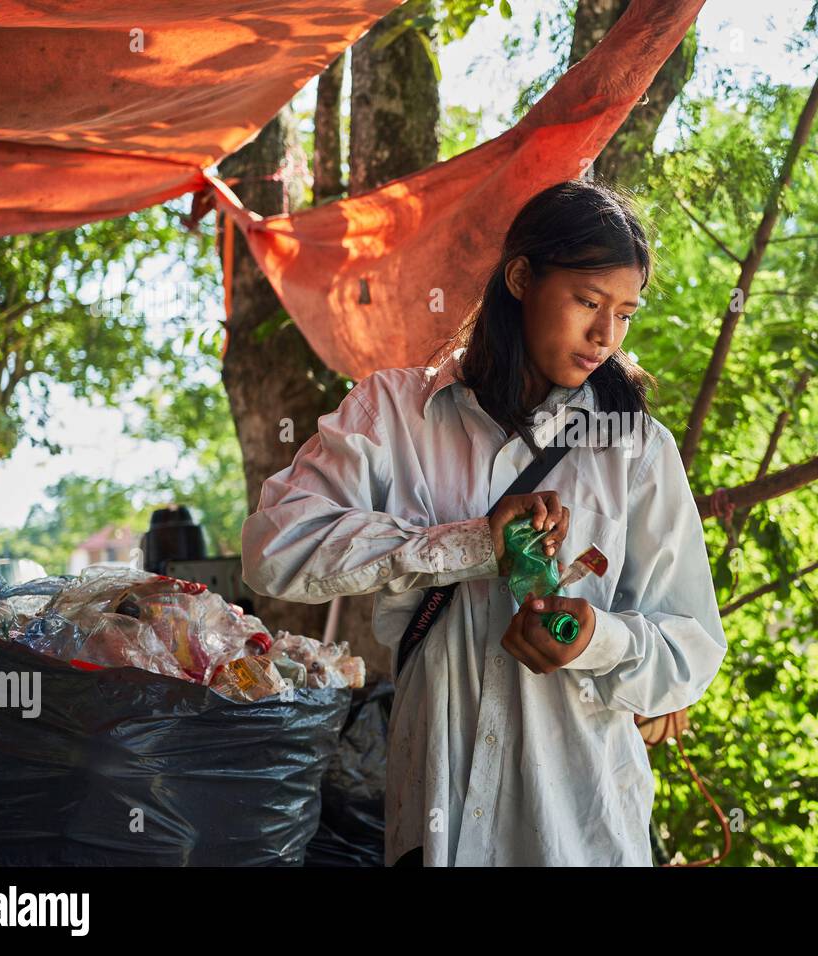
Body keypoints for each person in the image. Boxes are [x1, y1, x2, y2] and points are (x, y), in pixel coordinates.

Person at [241, 179, 727, 866]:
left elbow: (691, 648)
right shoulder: (393, 416)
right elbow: (272, 549)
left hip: (579, 833)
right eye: (588, 302)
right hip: (433, 827)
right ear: (522, 277)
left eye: (624, 314)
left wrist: (598, 638)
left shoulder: (636, 451)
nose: (604, 335)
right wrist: (466, 545)